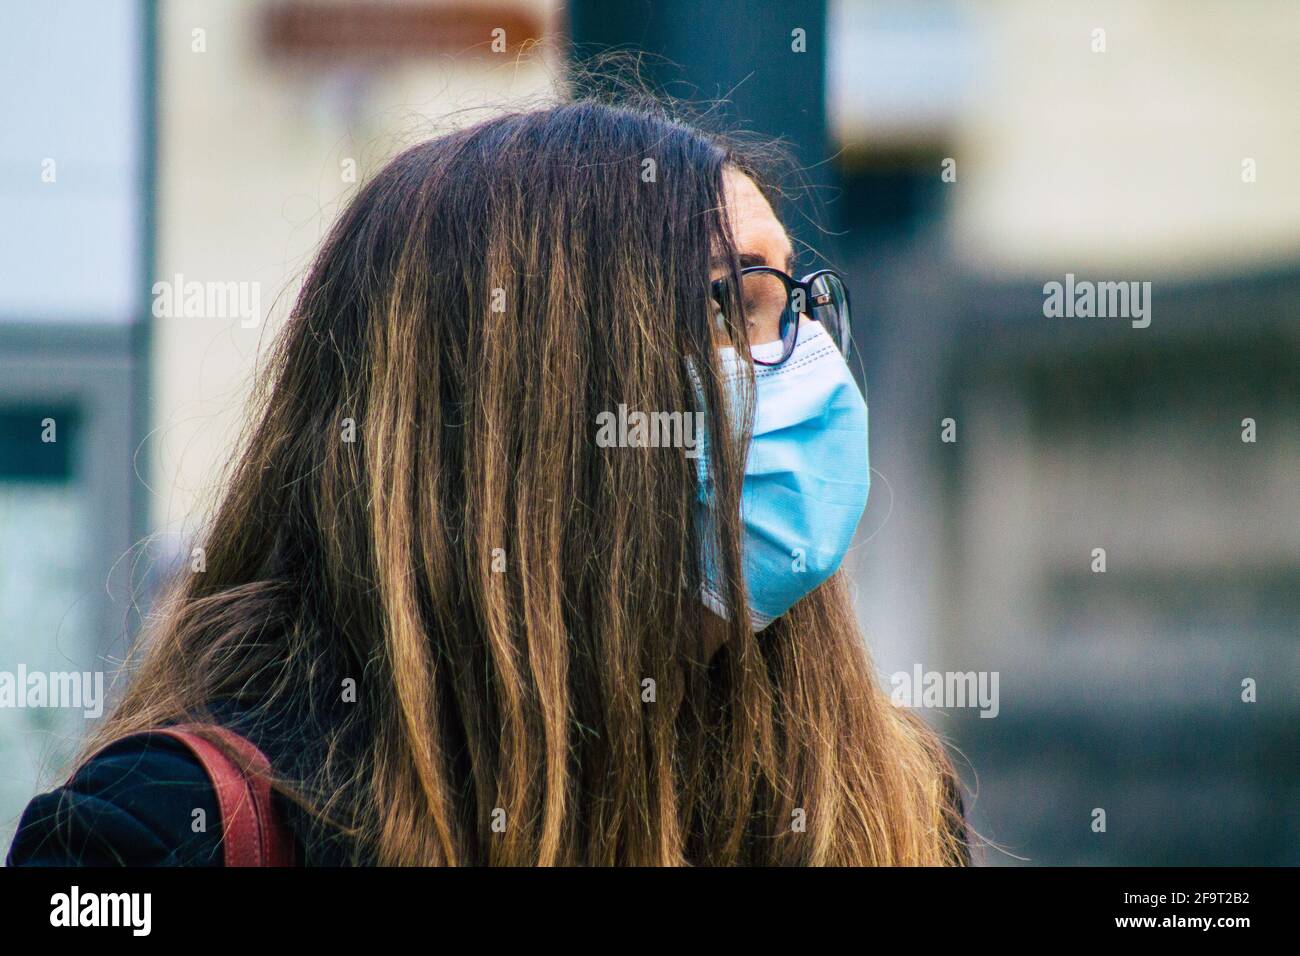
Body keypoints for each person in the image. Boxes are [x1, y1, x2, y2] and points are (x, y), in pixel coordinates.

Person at [8, 99, 970, 866]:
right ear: (521, 397)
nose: (806, 371)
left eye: (793, 307)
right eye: (734, 308)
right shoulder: (160, 833)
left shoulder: (883, 800)